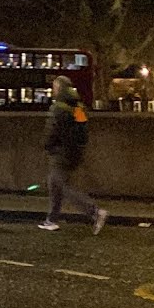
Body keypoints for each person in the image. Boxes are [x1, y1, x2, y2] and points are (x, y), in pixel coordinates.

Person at [39, 75, 109, 233]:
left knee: (62, 186)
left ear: (59, 88)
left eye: (54, 88)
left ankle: (95, 212)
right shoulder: (79, 107)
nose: (53, 91)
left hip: (60, 151)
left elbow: (51, 130)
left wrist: (47, 146)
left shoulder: (57, 108)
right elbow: (83, 128)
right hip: (75, 151)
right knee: (55, 184)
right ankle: (51, 219)